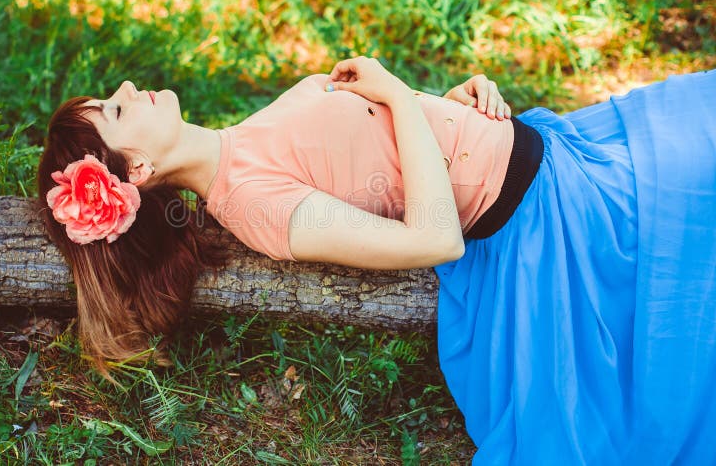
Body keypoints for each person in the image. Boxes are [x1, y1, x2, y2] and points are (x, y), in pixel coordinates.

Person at [37, 57, 716, 464]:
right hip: (553, 218)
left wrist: (448, 108)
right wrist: (397, 96)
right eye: (118, 109)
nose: (128, 85)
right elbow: (434, 240)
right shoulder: (256, 205)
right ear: (142, 167)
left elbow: (383, 159)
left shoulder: (238, 144)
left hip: (555, 152)